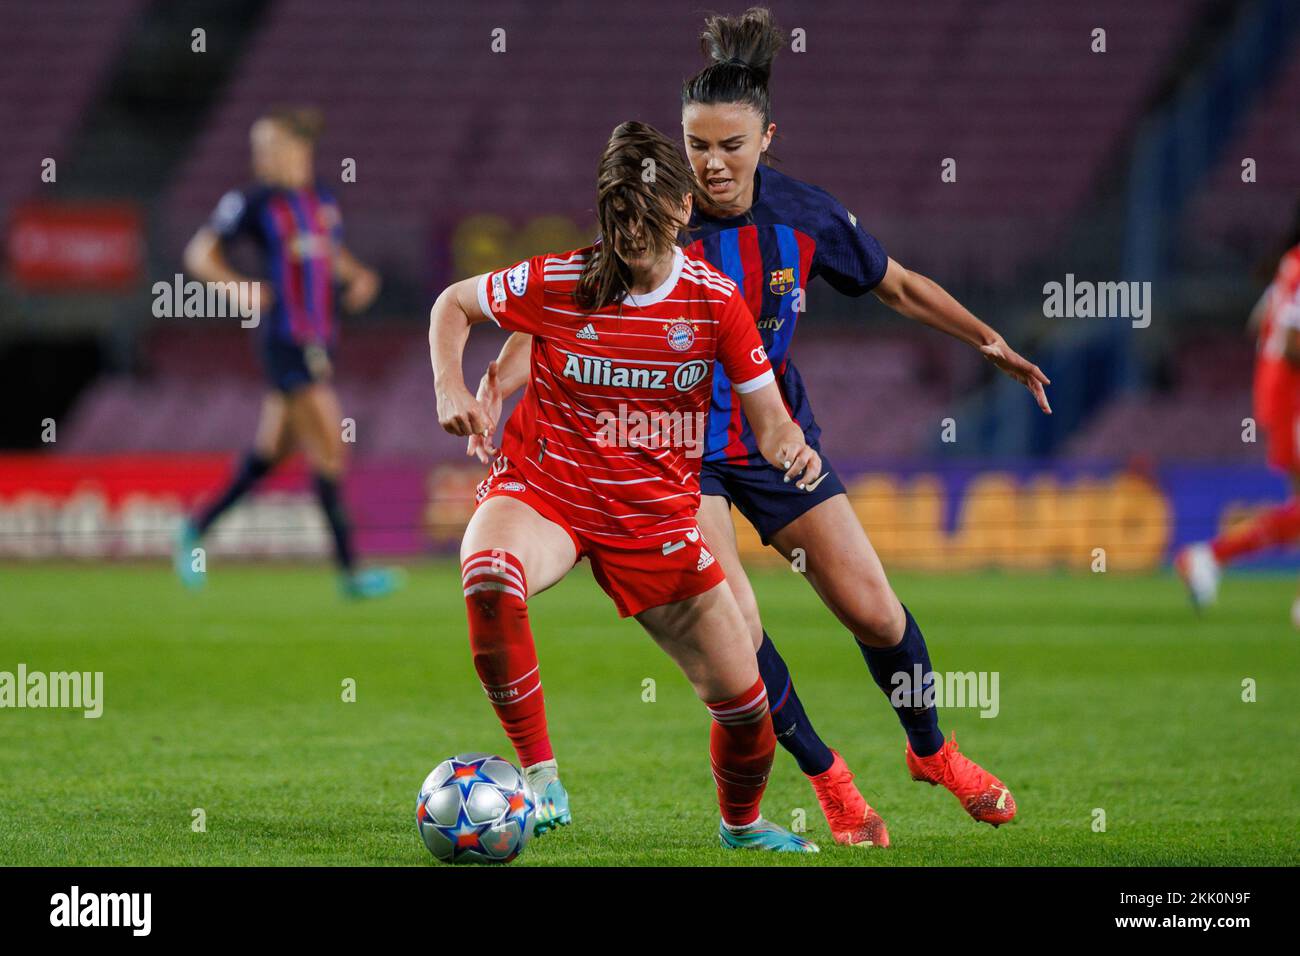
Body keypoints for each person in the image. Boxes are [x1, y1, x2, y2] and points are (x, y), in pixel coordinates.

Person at [469, 7, 1050, 844]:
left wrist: (990, 340)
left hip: (776, 440)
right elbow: (559, 307)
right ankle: (830, 778)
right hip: (678, 457)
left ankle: (934, 751)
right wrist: (495, 380)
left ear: (767, 138)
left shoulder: (804, 215)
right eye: (696, 144)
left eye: (729, 146)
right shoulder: (652, 218)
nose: (709, 164)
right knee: (738, 625)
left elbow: (898, 284)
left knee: (877, 614)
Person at [431, 121, 822, 851]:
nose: (630, 235)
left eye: (644, 217)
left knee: (747, 713)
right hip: (546, 490)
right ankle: (540, 774)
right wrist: (452, 386)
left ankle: (741, 826)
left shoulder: (714, 302)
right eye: (617, 219)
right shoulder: (561, 279)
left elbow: (770, 422)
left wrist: (791, 449)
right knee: (489, 574)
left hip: (654, 520)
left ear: (680, 210)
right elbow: (452, 303)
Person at [175, 107, 401, 599]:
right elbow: (199, 253)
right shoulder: (252, 201)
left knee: (269, 454)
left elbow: (328, 251)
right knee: (329, 447)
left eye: (272, 146)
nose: (263, 156)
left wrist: (357, 274)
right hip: (284, 338)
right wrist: (237, 289)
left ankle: (193, 532)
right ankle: (350, 572)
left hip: (319, 338)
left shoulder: (320, 199)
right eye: (259, 148)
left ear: (299, 150)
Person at [1178, 200, 1300, 624]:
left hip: (1277, 395)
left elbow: (1259, 323)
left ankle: (1209, 557)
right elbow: (1292, 341)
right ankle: (1210, 555)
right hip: (1292, 398)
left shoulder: (1290, 263)